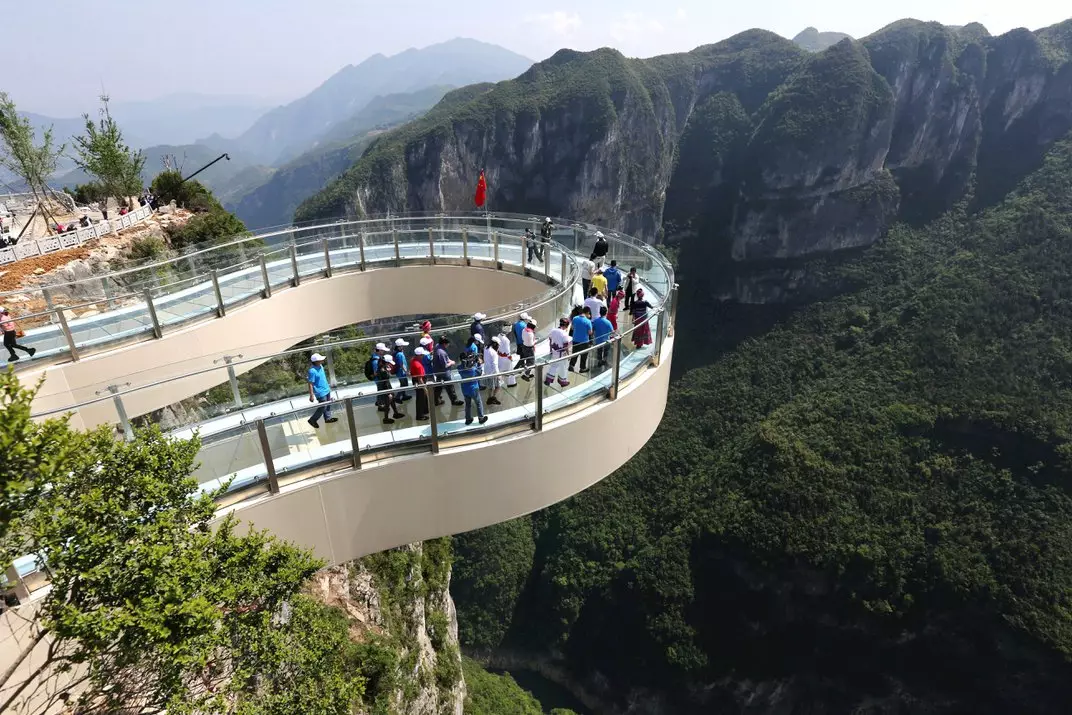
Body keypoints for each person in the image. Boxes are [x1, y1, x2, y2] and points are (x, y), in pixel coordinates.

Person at [458, 347, 489, 426]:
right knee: (478, 403)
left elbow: (465, 367)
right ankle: (481, 418)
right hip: (473, 388)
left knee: (468, 404)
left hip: (464, 388)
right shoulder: (472, 368)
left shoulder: (459, 368)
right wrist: (478, 364)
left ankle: (468, 419)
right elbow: (479, 373)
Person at [306, 353, 336, 428]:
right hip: (320, 392)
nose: (322, 360)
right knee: (323, 406)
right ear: (315, 361)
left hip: (326, 389)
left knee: (328, 404)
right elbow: (310, 383)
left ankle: (328, 418)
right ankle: (312, 420)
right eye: (320, 359)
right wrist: (311, 395)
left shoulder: (321, 366)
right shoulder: (312, 371)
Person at [433, 336, 464, 406]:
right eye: (447, 344)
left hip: (437, 371)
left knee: (438, 387)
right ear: (444, 344)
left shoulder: (437, 346)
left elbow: (446, 358)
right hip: (444, 372)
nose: (448, 345)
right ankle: (454, 400)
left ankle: (435, 401)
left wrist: (449, 360)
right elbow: (445, 365)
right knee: (450, 386)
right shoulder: (441, 352)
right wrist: (451, 363)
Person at [375, 354, 405, 424]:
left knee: (391, 401)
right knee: (387, 403)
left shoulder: (381, 367)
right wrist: (389, 393)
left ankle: (395, 413)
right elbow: (385, 382)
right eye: (389, 363)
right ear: (386, 362)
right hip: (386, 388)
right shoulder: (383, 370)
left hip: (386, 387)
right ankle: (386, 418)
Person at [546, 317, 573, 387]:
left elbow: (550, 341)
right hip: (561, 353)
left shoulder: (553, 330)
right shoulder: (564, 334)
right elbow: (565, 346)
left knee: (554, 365)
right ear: (566, 325)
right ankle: (562, 381)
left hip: (554, 351)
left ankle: (548, 380)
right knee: (563, 367)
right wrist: (568, 354)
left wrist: (550, 350)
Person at [569, 307, 594, 373]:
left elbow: (572, 328)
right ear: (588, 313)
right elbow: (590, 332)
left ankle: (571, 365)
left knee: (575, 353)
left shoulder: (575, 318)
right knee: (584, 355)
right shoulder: (588, 321)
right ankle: (582, 368)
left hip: (575, 340)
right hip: (584, 341)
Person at [410, 346, 430, 421]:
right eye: (422, 355)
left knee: (421, 398)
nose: (423, 356)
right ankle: (420, 416)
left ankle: (424, 411)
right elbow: (420, 379)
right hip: (419, 382)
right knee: (420, 399)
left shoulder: (413, 360)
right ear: (419, 355)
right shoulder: (418, 365)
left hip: (415, 380)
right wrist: (425, 388)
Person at [483, 336, 502, 405]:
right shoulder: (494, 352)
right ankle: (492, 398)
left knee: (490, 387)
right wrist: (498, 374)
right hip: (493, 372)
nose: (499, 346)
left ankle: (490, 399)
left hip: (486, 370)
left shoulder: (486, 348)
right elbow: (495, 364)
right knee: (498, 386)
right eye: (498, 345)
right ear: (495, 344)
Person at [497, 323, 517, 389]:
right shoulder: (506, 340)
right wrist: (510, 358)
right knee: (509, 371)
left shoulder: (498, 335)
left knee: (500, 371)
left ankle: (498, 383)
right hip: (505, 358)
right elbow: (507, 352)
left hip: (499, 357)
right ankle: (511, 383)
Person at [393, 338, 411, 402]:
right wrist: (406, 372)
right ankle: (397, 397)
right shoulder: (399, 354)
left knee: (403, 384)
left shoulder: (398, 353)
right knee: (404, 384)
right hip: (401, 372)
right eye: (402, 346)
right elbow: (401, 364)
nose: (403, 347)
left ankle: (404, 395)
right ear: (399, 347)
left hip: (400, 372)